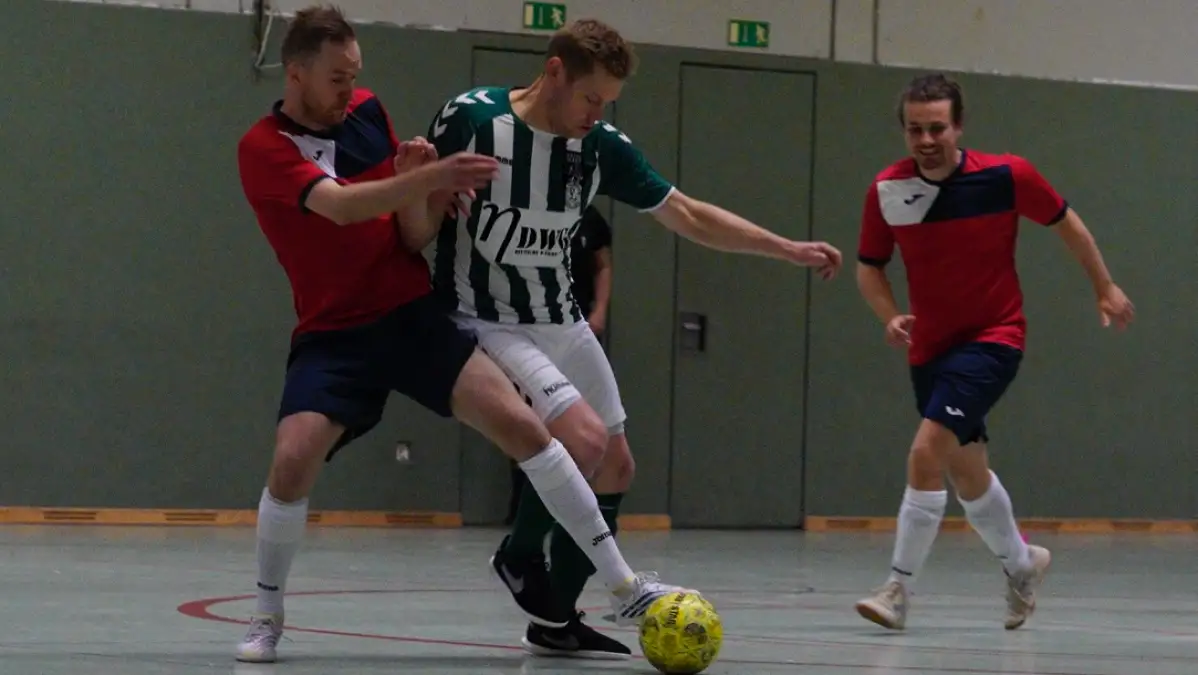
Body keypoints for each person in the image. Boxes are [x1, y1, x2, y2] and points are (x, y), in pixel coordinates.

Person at [232, 5, 691, 663]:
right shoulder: (263, 149)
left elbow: (410, 234)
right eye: (336, 78)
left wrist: (421, 193)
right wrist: (427, 176)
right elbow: (337, 207)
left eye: (354, 75)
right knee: (293, 458)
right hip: (335, 332)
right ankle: (268, 611)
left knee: (529, 428)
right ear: (296, 73)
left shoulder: (366, 113)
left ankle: (623, 586)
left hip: (412, 312)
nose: (349, 90)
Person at [402, 18, 842, 659]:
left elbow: (686, 213)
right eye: (590, 98)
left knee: (616, 463)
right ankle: (535, 559)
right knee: (580, 440)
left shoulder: (599, 147)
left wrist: (784, 248)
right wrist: (415, 185)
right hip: (486, 318)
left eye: (608, 102)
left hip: (562, 319)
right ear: (554, 72)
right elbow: (417, 228)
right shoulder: (472, 120)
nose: (597, 113)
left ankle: (554, 621)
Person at [852, 73, 1135, 631]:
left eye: (937, 127)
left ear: (959, 126)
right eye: (915, 129)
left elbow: (1068, 225)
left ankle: (897, 589)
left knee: (925, 452)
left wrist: (1104, 285)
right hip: (928, 350)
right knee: (967, 473)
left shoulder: (1007, 176)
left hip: (993, 339)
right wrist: (890, 317)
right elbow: (869, 267)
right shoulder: (887, 190)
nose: (927, 139)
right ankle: (1023, 564)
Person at [504, 203, 611, 524]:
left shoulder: (589, 218)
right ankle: (524, 505)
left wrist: (600, 310)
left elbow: (603, 264)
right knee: (525, 417)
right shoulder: (520, 209)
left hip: (575, 329)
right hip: (527, 330)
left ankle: (569, 503)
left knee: (580, 424)